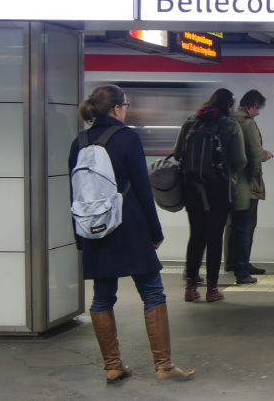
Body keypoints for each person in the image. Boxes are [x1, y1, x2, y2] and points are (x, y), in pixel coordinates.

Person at [70, 85, 194, 382]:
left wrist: (80, 236)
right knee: (152, 291)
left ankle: (113, 366)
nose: (127, 109)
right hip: (130, 226)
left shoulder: (80, 141)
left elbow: (73, 192)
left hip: (95, 229)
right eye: (126, 104)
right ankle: (163, 366)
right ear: (116, 109)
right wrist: (155, 229)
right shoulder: (127, 137)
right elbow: (141, 187)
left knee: (102, 297)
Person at [174, 89, 248, 301]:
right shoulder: (230, 125)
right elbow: (241, 160)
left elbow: (178, 153)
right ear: (229, 105)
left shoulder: (190, 122)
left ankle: (190, 289)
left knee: (196, 236)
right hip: (219, 189)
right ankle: (212, 290)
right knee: (214, 237)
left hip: (192, 188)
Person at [225, 90, 273, 277]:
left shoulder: (230, 120)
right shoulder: (248, 123)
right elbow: (254, 152)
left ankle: (230, 262)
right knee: (247, 225)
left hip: (231, 182)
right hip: (248, 183)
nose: (259, 112)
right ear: (251, 105)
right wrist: (266, 154)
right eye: (258, 108)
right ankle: (242, 264)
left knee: (231, 224)